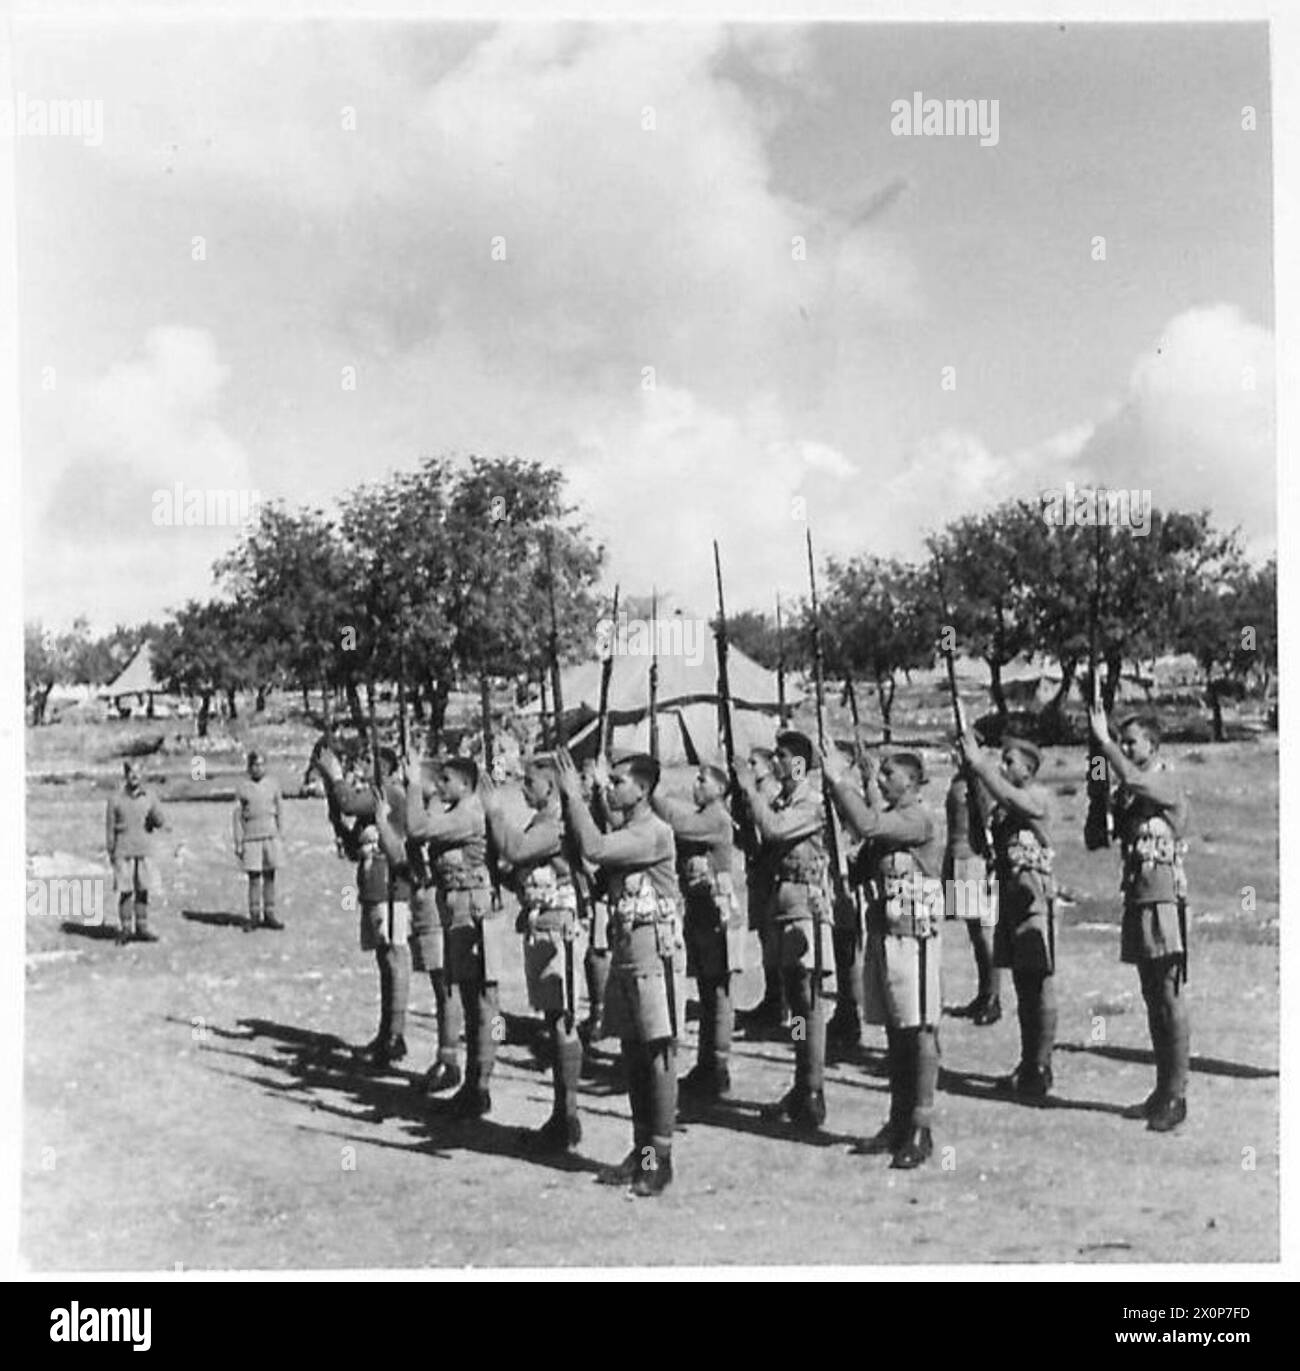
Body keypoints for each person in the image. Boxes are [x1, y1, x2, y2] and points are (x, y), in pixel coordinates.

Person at [555, 750, 682, 1197]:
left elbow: (596, 848)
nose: (612, 788)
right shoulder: (630, 829)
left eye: (619, 782)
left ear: (643, 789)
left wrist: (574, 797)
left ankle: (660, 1156)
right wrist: (589, 796)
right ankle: (641, 1150)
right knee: (632, 1054)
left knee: (657, 1055)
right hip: (627, 949)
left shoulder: (654, 833)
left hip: (653, 953)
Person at [823, 746, 944, 1168]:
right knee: (895, 1030)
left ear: (911, 781)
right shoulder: (891, 819)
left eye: (889, 774)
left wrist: (840, 782)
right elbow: (863, 850)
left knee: (919, 1029)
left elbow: (869, 823)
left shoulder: (918, 818)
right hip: (884, 933)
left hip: (915, 937)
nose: (880, 779)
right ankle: (898, 1120)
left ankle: (921, 1127)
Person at [1089, 710, 1191, 1133]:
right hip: (1138, 896)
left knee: (1168, 996)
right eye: (1123, 741)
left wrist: (1105, 744)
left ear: (1154, 745)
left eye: (1132, 742)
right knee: (1152, 996)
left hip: (1164, 898)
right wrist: (1096, 780)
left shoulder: (1165, 780)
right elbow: (1099, 835)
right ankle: (1162, 1089)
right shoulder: (1127, 793)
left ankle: (1177, 1093)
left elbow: (1133, 778)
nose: (1126, 748)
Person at [483, 756, 585, 1152]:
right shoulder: (540, 821)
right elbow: (520, 870)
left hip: (560, 929)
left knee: (563, 1021)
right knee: (552, 1018)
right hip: (540, 925)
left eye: (530, 782)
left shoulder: (555, 825)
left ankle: (568, 1116)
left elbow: (516, 848)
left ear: (551, 787)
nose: (523, 789)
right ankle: (561, 1114)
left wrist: (494, 813)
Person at [735, 730, 831, 1130]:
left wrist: (750, 792)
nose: (776, 762)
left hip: (805, 906)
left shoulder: (811, 803)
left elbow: (775, 829)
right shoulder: (779, 801)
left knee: (808, 1001)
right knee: (796, 1002)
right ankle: (802, 1081)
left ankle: (813, 1088)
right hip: (781, 903)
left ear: (800, 763)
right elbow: (761, 842)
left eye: (783, 756)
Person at [959, 730, 1058, 1101]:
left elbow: (1011, 798)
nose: (1002, 766)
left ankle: (1041, 1065)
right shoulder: (1005, 804)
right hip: (1010, 897)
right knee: (1022, 986)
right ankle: (1028, 1063)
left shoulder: (1038, 796)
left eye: (1009, 762)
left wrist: (981, 765)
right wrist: (972, 773)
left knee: (1039, 983)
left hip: (1035, 899)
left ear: (1028, 770)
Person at [406, 756, 502, 1119]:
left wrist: (415, 786)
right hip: (458, 911)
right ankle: (474, 1083)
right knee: (470, 998)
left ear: (464, 784)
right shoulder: (457, 811)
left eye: (446, 780)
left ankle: (481, 1084)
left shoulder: (467, 815)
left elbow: (417, 828)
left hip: (472, 912)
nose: (440, 785)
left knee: (483, 1003)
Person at [651, 764, 743, 1103]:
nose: (696, 785)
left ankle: (717, 1066)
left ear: (719, 789)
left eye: (703, 780)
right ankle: (708, 1064)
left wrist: (651, 793)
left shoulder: (716, 818)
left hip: (718, 915)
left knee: (717, 994)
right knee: (707, 992)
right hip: (702, 912)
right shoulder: (706, 815)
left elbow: (680, 824)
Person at [942, 757, 1000, 1023]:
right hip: (957, 855)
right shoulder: (961, 779)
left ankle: (993, 997)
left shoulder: (979, 780)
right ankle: (983, 992)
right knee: (975, 932)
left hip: (973, 858)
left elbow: (987, 819)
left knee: (985, 932)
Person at [739, 748, 788, 1036]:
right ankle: (774, 1002)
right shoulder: (755, 793)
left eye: (754, 763)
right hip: (761, 875)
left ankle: (794, 1028)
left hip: (776, 880)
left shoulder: (771, 792)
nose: (749, 767)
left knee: (780, 951)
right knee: (766, 941)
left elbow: (770, 829)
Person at [104, 760, 168, 944]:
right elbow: (110, 829)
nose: (134, 776)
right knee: (125, 891)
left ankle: (142, 927)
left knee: (142, 890)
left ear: (143, 774)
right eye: (131, 772)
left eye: (138, 772)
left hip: (143, 850)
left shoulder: (149, 797)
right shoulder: (115, 799)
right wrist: (111, 851)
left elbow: (160, 821)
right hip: (123, 850)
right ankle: (125, 930)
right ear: (125, 775)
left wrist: (156, 818)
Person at [233, 749, 285, 932]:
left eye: (262, 764)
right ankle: (254, 916)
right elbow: (237, 817)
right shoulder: (242, 788)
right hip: (251, 838)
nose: (258, 768)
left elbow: (279, 810)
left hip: (270, 836)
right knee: (254, 878)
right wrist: (238, 842)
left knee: (270, 876)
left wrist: (280, 834)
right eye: (255, 765)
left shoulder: (273, 785)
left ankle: (269, 914)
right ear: (249, 767)